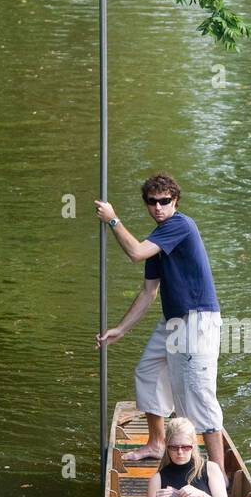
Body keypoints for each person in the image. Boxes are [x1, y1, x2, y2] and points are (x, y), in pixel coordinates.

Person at [95, 173, 224, 469]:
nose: (159, 207)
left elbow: (135, 253)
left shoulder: (180, 224)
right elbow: (149, 292)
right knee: (148, 373)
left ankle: (218, 472)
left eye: (165, 201)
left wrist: (113, 220)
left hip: (196, 321)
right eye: (152, 202)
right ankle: (157, 442)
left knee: (198, 396)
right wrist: (121, 329)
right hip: (172, 321)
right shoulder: (159, 237)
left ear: (175, 200)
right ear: (147, 204)